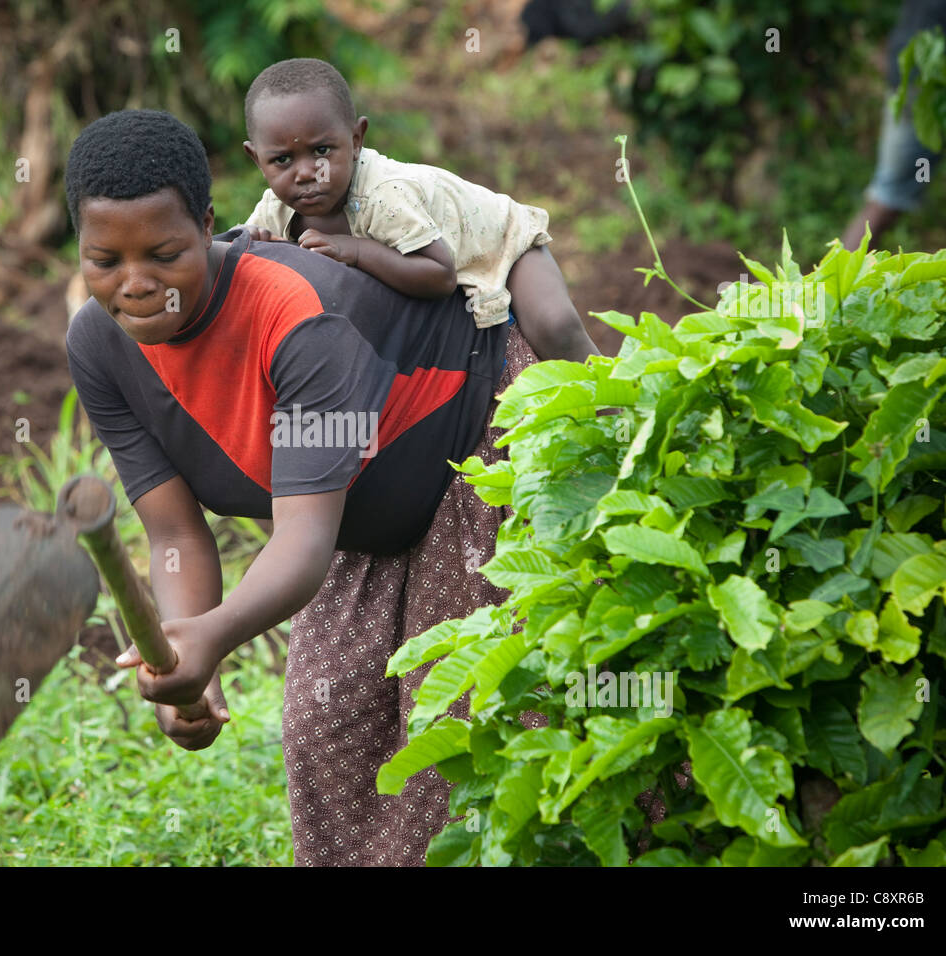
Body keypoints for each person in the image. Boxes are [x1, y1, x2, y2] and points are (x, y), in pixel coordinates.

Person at [63, 108, 565, 865]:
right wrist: (185, 652)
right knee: (326, 738)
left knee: (458, 743)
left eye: (164, 254)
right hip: (363, 510)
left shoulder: (295, 316)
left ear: (206, 225)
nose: (137, 286)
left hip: (480, 452)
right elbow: (173, 533)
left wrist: (216, 634)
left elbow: (301, 541)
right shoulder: (98, 346)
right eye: (105, 260)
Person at [239, 58, 600, 366]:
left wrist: (355, 249)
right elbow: (248, 251)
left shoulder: (383, 196)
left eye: (321, 151)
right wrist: (254, 241)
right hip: (450, 263)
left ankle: (623, 420)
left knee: (555, 327)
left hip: (501, 243)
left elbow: (439, 275)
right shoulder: (276, 208)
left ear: (356, 140)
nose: (305, 172)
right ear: (257, 159)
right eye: (282, 160)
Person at [842, 0, 946, 250]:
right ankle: (832, 284)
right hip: (937, 78)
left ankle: (831, 283)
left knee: (886, 196)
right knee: (887, 196)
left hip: (912, 69)